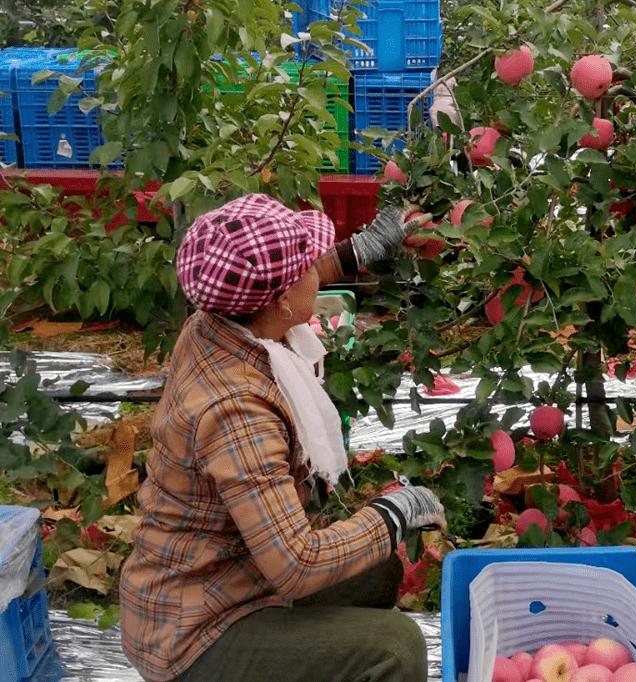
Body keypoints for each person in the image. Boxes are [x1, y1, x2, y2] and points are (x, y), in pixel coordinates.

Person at [119, 194, 446, 682]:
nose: (317, 267)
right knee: (395, 648)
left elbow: (292, 280)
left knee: (376, 573)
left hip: (230, 573)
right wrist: (394, 513)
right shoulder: (237, 411)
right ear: (281, 300)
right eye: (306, 264)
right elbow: (296, 565)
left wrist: (361, 250)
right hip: (194, 632)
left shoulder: (219, 321)